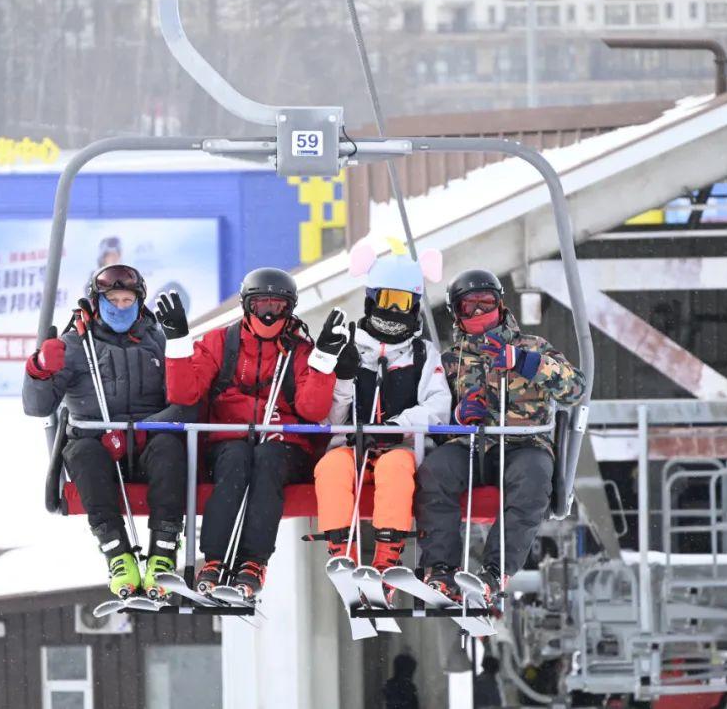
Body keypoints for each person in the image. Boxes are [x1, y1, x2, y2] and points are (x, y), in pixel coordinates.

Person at [155, 267, 346, 600]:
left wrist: (324, 359)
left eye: (278, 307)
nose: (269, 315)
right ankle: (213, 559)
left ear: (290, 310)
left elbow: (312, 409)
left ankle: (253, 562)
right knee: (236, 458)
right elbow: (184, 394)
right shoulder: (220, 343)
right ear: (247, 307)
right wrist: (178, 344)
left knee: (268, 458)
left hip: (285, 447)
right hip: (230, 442)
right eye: (262, 306)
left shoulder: (299, 351)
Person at [416, 269, 585, 604]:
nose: (479, 312)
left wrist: (525, 363)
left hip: (524, 445)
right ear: (455, 312)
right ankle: (440, 571)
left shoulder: (532, 347)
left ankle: (494, 572)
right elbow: (430, 405)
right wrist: (458, 417)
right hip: (471, 446)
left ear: (500, 304)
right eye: (469, 306)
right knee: (435, 472)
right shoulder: (451, 360)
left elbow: (574, 388)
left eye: (486, 303)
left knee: (533, 478)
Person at [24, 264, 188, 599]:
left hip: (147, 444)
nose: (121, 307)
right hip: (97, 445)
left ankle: (163, 554)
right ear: (97, 301)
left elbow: (186, 394)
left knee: (170, 449)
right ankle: (117, 553)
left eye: (128, 299)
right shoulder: (73, 345)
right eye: (113, 299)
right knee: (82, 454)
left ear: (140, 302)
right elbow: (38, 407)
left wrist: (160, 420)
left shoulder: (157, 341)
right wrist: (41, 370)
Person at [315, 243, 450, 579]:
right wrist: (344, 379)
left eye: (402, 302)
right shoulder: (346, 344)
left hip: (399, 447)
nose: (393, 310)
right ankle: (341, 551)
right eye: (387, 299)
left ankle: (387, 558)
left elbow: (438, 408)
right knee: (331, 467)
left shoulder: (421, 353)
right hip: (351, 446)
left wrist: (397, 426)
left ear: (415, 305)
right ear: (371, 298)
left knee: (395, 469)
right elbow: (327, 418)